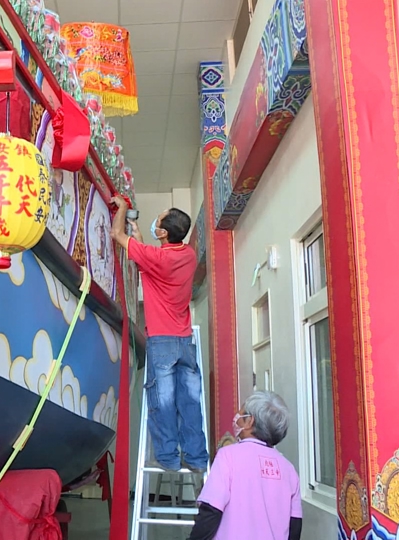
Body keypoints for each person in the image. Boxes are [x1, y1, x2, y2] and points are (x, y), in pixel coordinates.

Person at [110, 197, 208, 472]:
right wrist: (138, 232)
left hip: (162, 342)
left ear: (163, 232)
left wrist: (120, 210)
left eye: (160, 220)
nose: (156, 222)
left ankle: (167, 458)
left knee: (162, 402)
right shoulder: (187, 255)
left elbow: (116, 235)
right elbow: (147, 255)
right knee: (189, 402)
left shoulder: (157, 258)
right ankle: (197, 459)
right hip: (185, 342)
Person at [189, 392, 302, 540]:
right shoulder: (289, 470)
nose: (236, 418)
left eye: (241, 415)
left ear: (249, 421)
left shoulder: (227, 456)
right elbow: (295, 526)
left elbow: (211, 511)